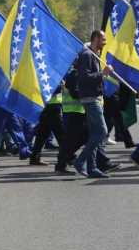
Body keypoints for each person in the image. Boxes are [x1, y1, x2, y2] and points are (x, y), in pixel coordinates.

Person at [73, 31, 115, 178]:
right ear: (95, 39)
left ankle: (92, 168)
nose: (105, 42)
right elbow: (84, 78)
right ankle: (80, 161)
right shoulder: (87, 55)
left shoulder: (94, 55)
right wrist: (103, 73)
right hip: (90, 99)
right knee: (102, 132)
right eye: (103, 39)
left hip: (95, 98)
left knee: (94, 133)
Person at [54, 66, 87, 175]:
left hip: (77, 111)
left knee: (77, 138)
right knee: (71, 140)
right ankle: (62, 163)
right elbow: (74, 93)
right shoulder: (75, 75)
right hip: (73, 111)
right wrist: (89, 94)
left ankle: (65, 159)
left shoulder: (77, 74)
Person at [29, 84, 64, 166]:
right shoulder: (52, 77)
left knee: (42, 135)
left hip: (46, 106)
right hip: (53, 108)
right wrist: (61, 86)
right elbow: (54, 88)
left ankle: (34, 158)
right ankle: (68, 158)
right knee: (61, 134)